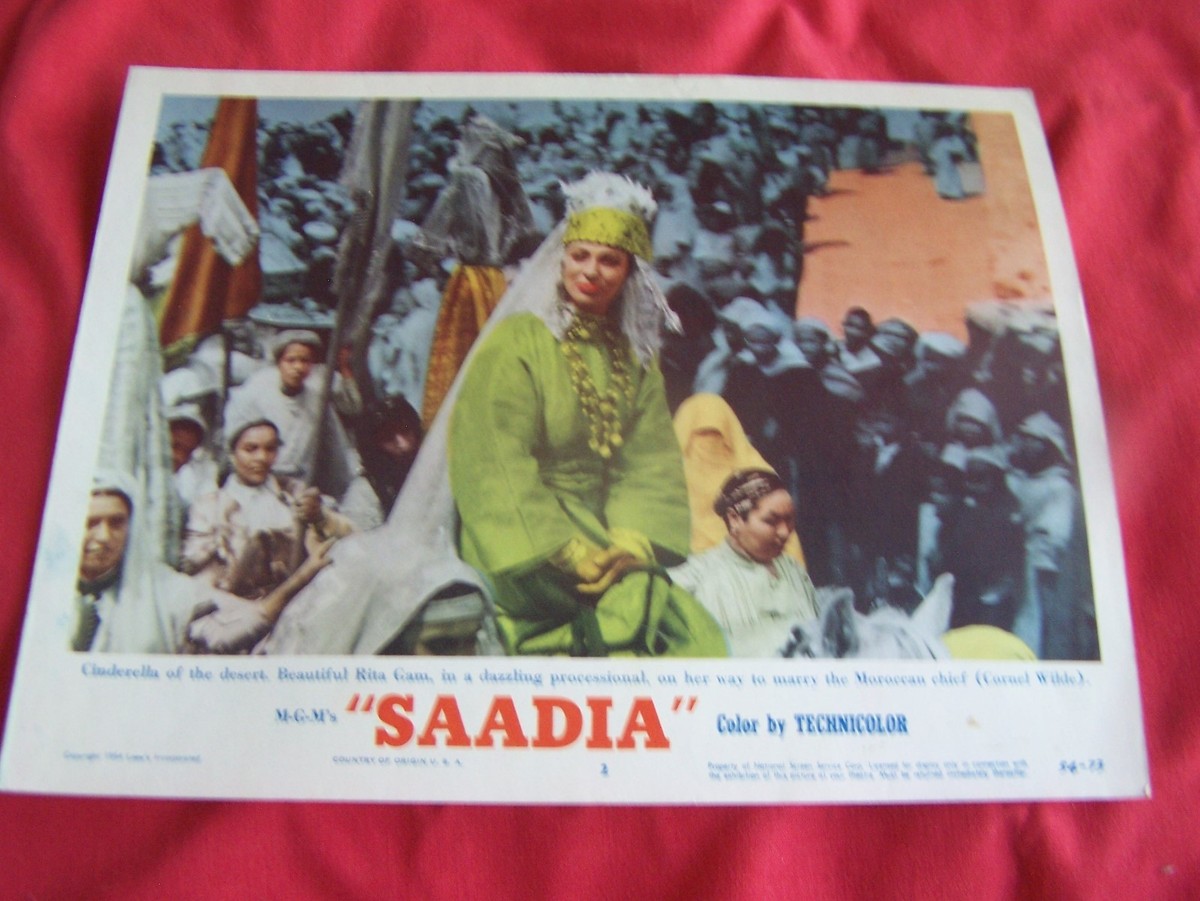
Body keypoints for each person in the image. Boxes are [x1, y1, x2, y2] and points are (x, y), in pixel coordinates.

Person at [448, 171, 727, 658]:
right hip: (522, 539)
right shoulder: (518, 341)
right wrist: (565, 550)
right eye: (579, 256)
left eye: (609, 260)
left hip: (605, 532)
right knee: (622, 628)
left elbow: (646, 462)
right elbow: (494, 457)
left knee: (688, 632)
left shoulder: (636, 355)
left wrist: (632, 541)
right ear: (561, 259)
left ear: (630, 270)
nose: (591, 272)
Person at [181, 418, 353, 601]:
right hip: (237, 605)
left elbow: (348, 536)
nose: (261, 458)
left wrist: (319, 517)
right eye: (250, 449)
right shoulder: (210, 506)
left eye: (270, 449)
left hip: (302, 598)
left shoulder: (294, 492)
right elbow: (196, 569)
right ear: (232, 453)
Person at [669, 470, 818, 657]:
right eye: (771, 521)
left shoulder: (794, 570)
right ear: (734, 519)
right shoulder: (695, 577)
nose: (784, 532)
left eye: (789, 520)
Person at [224, 329, 363, 498]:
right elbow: (236, 439)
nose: (298, 367)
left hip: (299, 481)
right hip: (261, 476)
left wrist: (345, 370)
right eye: (291, 360)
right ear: (279, 363)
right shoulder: (257, 389)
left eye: (305, 361)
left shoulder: (317, 393)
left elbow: (352, 408)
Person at [671, 393, 804, 563]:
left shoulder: (756, 481)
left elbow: (788, 546)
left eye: (717, 436)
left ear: (730, 435)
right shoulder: (667, 483)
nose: (708, 443)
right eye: (701, 436)